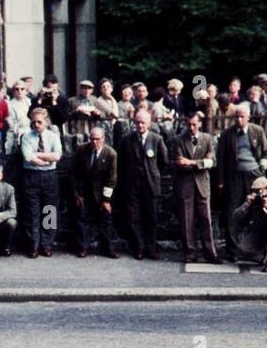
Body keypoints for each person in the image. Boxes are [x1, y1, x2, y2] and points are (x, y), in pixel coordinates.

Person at [214, 104, 267, 262]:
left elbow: (266, 152)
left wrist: (262, 166)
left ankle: (258, 250)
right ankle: (232, 250)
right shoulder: (227, 135)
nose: (238, 119)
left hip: (254, 176)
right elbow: (221, 158)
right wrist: (221, 181)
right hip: (234, 176)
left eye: (242, 117)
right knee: (232, 212)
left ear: (248, 117)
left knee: (258, 211)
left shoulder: (257, 131)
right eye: (236, 117)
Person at [117, 108, 168, 259]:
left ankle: (151, 248)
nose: (140, 126)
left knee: (151, 217)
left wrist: (153, 174)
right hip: (132, 185)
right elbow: (121, 162)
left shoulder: (156, 139)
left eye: (143, 123)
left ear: (149, 123)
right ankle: (138, 247)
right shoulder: (127, 140)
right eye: (137, 123)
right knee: (133, 217)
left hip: (150, 184)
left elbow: (163, 162)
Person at [171, 112, 220, 263]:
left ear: (199, 124)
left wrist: (191, 162)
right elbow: (180, 163)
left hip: (202, 185)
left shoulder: (208, 139)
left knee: (206, 219)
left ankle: (210, 253)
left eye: (194, 124)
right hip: (185, 185)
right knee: (187, 221)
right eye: (189, 124)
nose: (191, 128)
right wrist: (200, 163)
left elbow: (211, 163)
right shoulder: (178, 140)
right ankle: (190, 253)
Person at [19, 107, 62, 258]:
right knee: (32, 213)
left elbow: (57, 156)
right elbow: (28, 157)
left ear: (46, 122)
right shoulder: (26, 137)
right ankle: (33, 246)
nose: (36, 125)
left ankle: (47, 244)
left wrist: (37, 154)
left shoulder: (53, 136)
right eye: (34, 122)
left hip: (50, 178)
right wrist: (44, 161)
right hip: (31, 177)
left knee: (49, 211)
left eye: (39, 122)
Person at [71, 125, 119, 258]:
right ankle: (82, 248)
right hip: (84, 193)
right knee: (82, 220)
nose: (94, 142)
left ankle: (108, 248)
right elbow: (74, 174)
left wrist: (106, 200)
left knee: (106, 221)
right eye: (92, 139)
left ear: (103, 139)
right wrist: (77, 194)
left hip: (102, 193)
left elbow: (112, 179)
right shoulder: (81, 150)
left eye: (97, 139)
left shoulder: (111, 154)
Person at [231, 177, 267, 273]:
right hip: (259, 229)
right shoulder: (252, 200)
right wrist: (246, 204)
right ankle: (262, 255)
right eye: (254, 191)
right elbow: (235, 216)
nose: (257, 194)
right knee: (243, 248)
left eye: (260, 191)